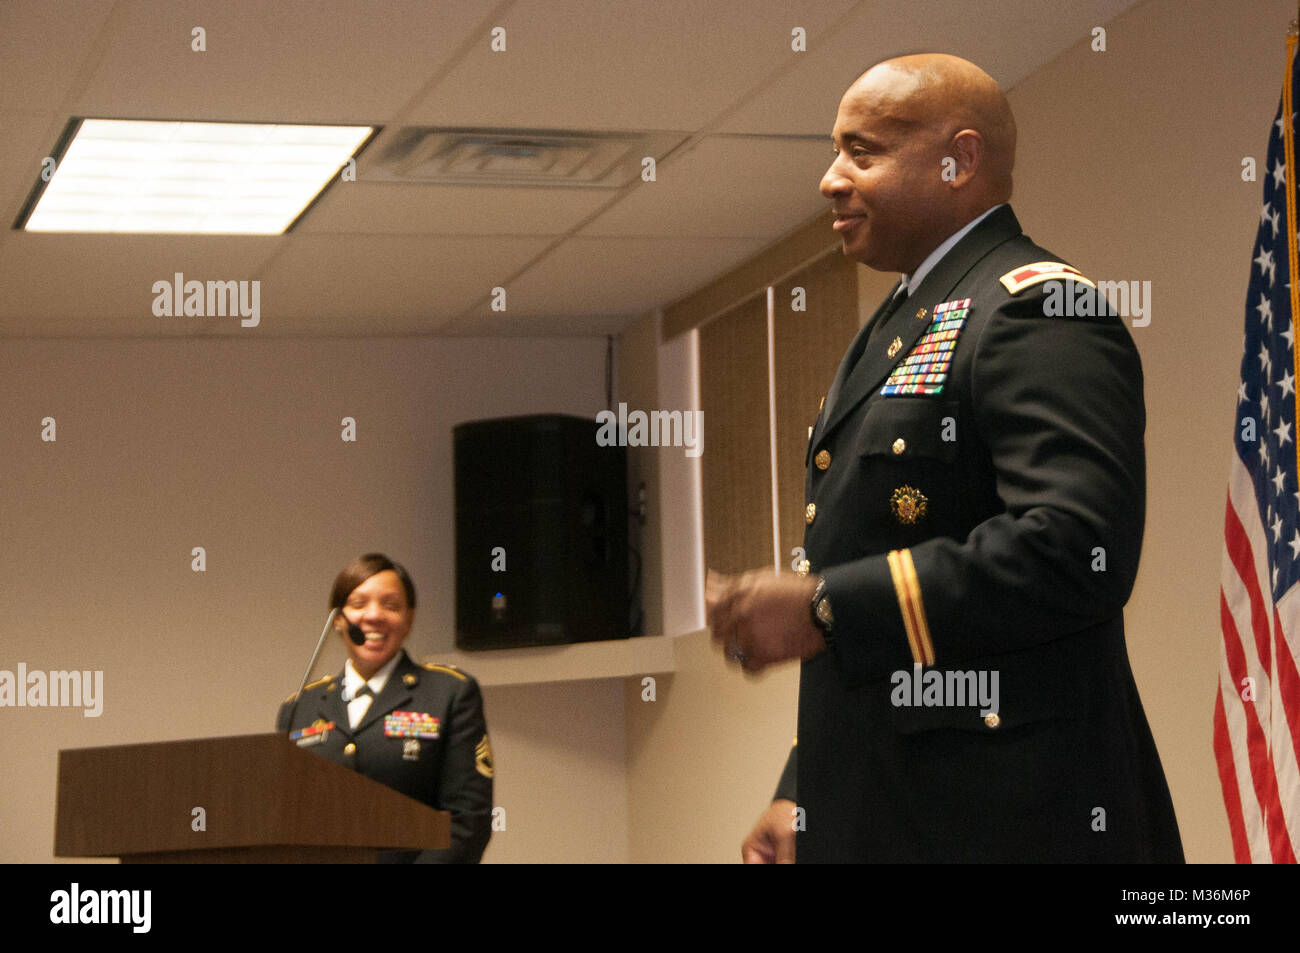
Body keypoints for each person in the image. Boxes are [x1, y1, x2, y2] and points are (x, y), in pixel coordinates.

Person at [705, 53, 1183, 863]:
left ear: (958, 160)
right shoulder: (903, 319)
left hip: (1010, 820)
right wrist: (803, 785)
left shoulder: (1035, 309)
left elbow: (1076, 550)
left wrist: (825, 605)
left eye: (862, 151)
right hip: (897, 804)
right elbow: (873, 580)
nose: (830, 178)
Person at [277, 553, 493, 863]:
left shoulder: (449, 693)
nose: (374, 615)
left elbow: (466, 820)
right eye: (358, 604)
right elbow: (287, 822)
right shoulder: (300, 707)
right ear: (338, 620)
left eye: (391, 605)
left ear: (409, 619)